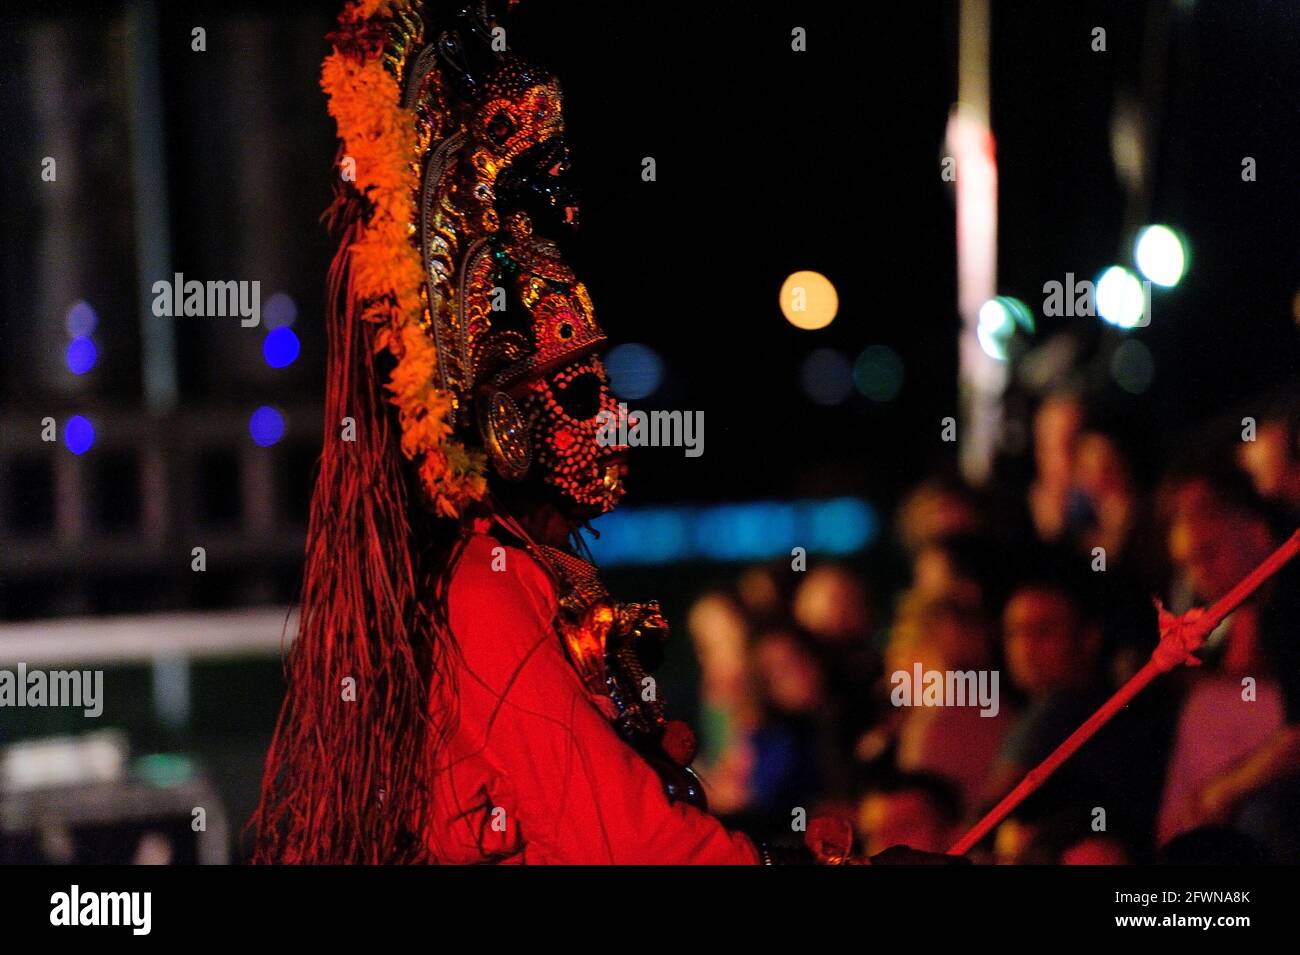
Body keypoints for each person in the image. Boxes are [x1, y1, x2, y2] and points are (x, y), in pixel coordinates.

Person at [249, 0, 950, 866]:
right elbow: (622, 842)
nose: (615, 419)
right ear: (506, 426)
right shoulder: (483, 582)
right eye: (582, 392)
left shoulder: (525, 571)